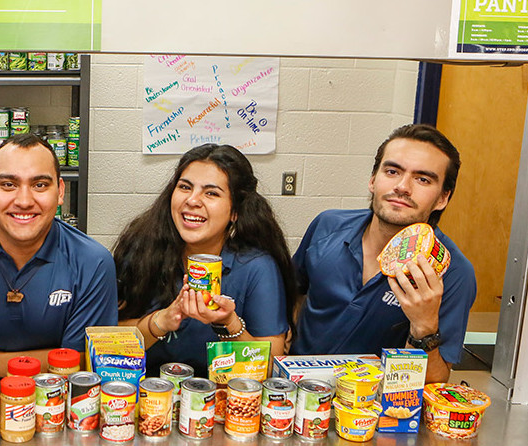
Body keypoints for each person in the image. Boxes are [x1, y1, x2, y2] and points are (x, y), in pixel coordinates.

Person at [289, 124, 476, 383]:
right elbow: (293, 292)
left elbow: (436, 383)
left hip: (371, 412)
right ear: (373, 179)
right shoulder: (327, 226)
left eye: (422, 179)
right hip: (297, 395)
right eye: (392, 171)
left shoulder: (453, 271)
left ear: (443, 198)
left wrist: (424, 326)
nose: (402, 186)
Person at [0, 133, 118, 376]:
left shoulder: (93, 262)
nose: (24, 201)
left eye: (40, 185)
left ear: (60, 192)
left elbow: (80, 362)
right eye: (8, 185)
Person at [112, 144, 295, 378]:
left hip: (226, 402)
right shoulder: (141, 248)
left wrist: (228, 323)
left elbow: (269, 369)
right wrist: (162, 321)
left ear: (235, 212)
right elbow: (108, 342)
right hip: (147, 396)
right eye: (184, 187)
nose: (192, 200)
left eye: (211, 193)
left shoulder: (256, 267)